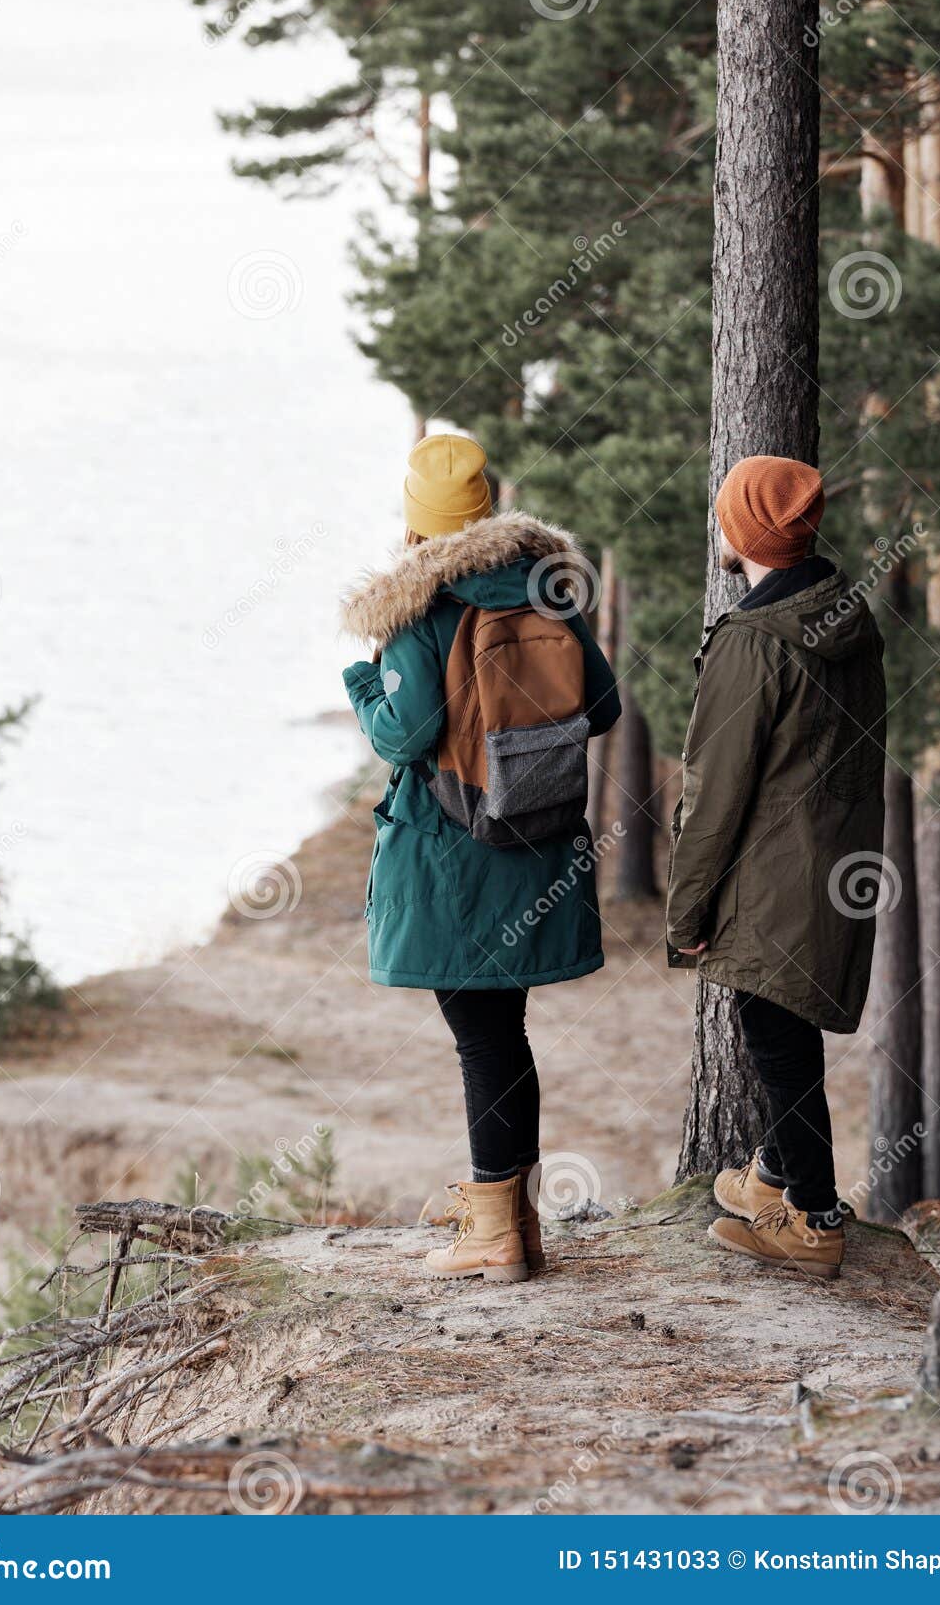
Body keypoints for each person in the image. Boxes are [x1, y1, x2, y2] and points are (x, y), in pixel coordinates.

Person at [342, 433, 619, 1283]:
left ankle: (495, 1228)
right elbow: (601, 704)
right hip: (536, 841)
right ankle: (515, 1222)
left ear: (417, 527)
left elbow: (407, 730)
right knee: (502, 1032)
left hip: (457, 858)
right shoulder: (543, 588)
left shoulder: (419, 607)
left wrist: (361, 684)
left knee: (482, 1038)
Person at [667, 455, 886, 1280]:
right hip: (833, 860)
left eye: (725, 513)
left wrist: (685, 914)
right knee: (778, 1019)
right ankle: (772, 1175)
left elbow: (713, 792)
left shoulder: (754, 640)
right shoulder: (844, 615)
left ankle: (814, 1219)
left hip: (774, 870)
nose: (718, 525)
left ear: (742, 531)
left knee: (770, 1027)